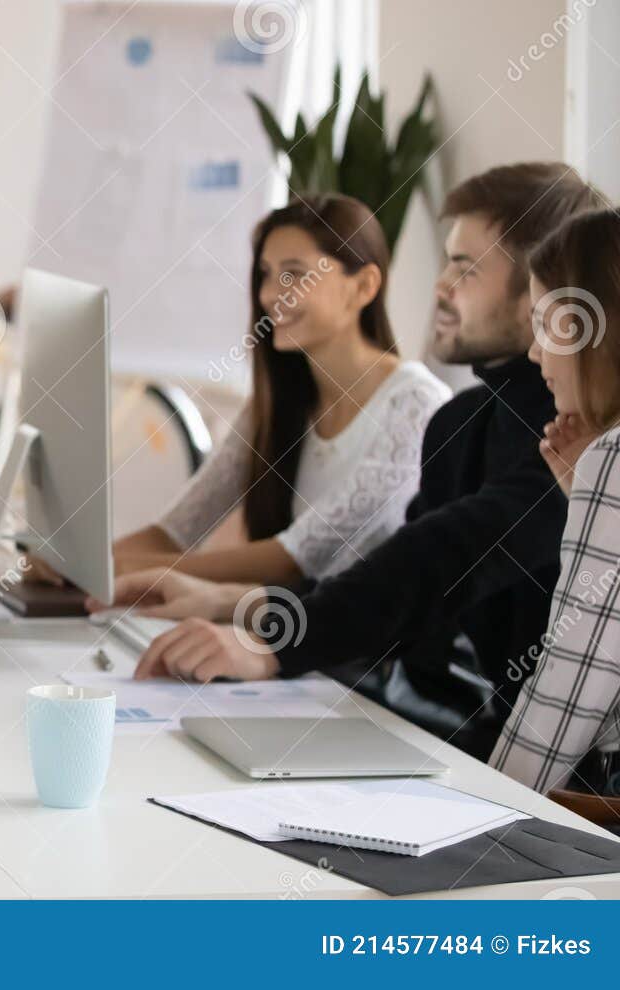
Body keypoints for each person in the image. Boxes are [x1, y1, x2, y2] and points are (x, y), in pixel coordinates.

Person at [98, 163, 607, 756]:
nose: (440, 287)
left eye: (465, 268)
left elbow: (447, 554)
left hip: (551, 773)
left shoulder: (580, 435)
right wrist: (242, 604)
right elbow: (405, 587)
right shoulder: (462, 421)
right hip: (483, 747)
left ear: (540, 292)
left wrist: (276, 642)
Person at [114, 195, 451, 585]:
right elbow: (175, 531)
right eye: (266, 274)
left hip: (371, 645)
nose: (269, 295)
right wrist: (76, 567)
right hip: (281, 635)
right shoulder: (277, 402)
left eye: (293, 274)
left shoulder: (415, 403)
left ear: (363, 286)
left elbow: (297, 557)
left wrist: (123, 571)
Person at [491, 207, 620, 794]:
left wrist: (482, 812)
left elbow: (569, 688)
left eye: (547, 323)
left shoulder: (613, 458)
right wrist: (583, 501)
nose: (536, 355)